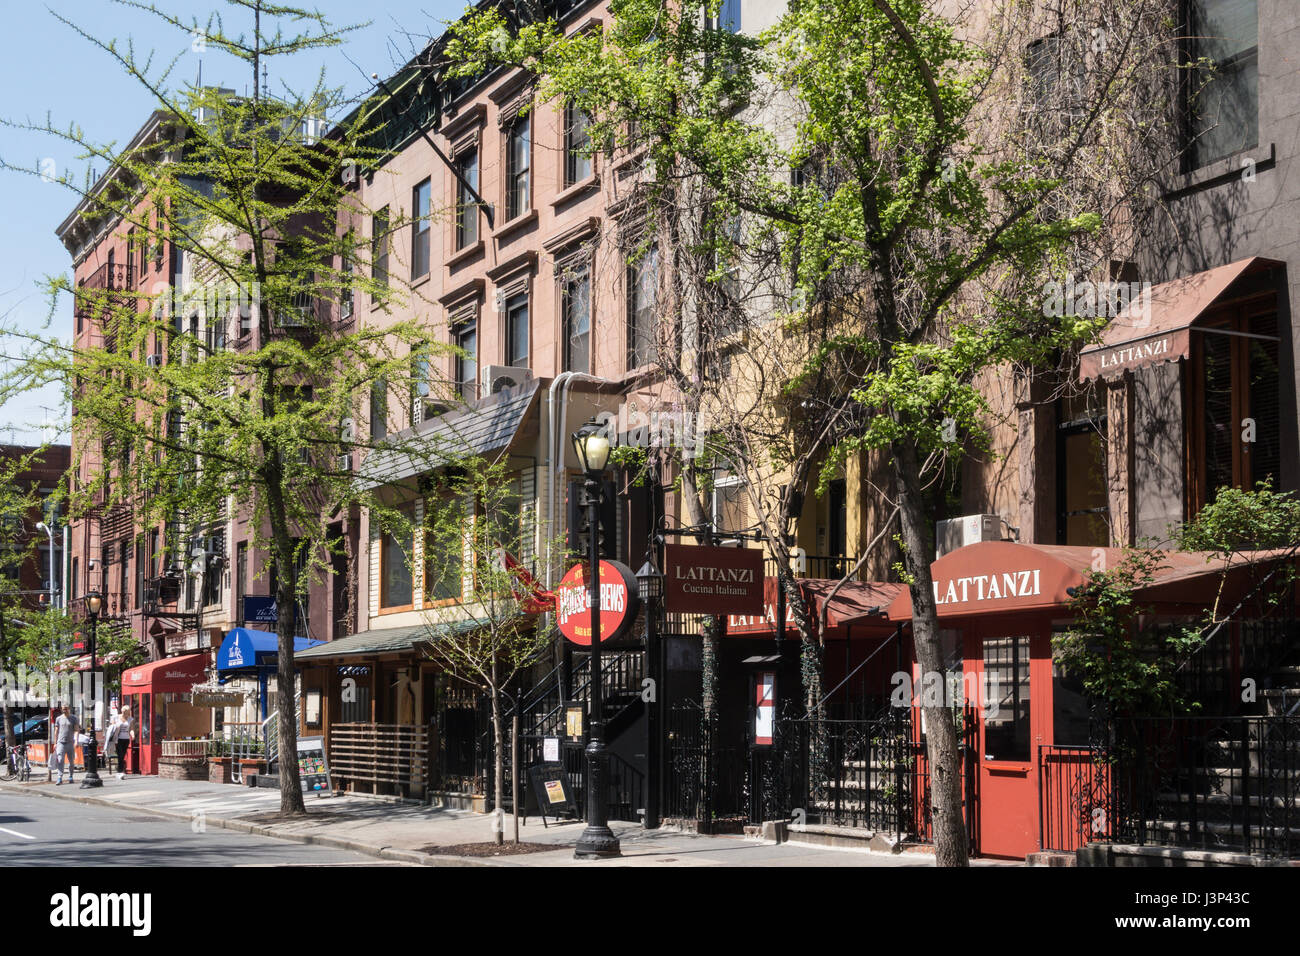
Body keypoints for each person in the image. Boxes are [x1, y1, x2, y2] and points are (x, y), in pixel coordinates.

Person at [53, 705, 80, 785]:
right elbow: (56, 731)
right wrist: (55, 743)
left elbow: (76, 730)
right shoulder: (58, 719)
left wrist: (76, 740)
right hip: (61, 742)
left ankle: (71, 776)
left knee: (71, 761)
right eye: (63, 709)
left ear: (69, 709)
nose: (64, 710)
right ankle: (59, 777)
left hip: (70, 743)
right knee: (60, 760)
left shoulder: (74, 718)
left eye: (66, 709)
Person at [105, 706, 133, 779]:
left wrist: (133, 735)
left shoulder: (130, 719)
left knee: (122, 755)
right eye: (125, 712)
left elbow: (131, 729)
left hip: (126, 739)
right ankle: (120, 772)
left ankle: (119, 771)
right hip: (118, 739)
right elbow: (112, 728)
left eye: (127, 712)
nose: (126, 714)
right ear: (122, 711)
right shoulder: (116, 717)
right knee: (120, 755)